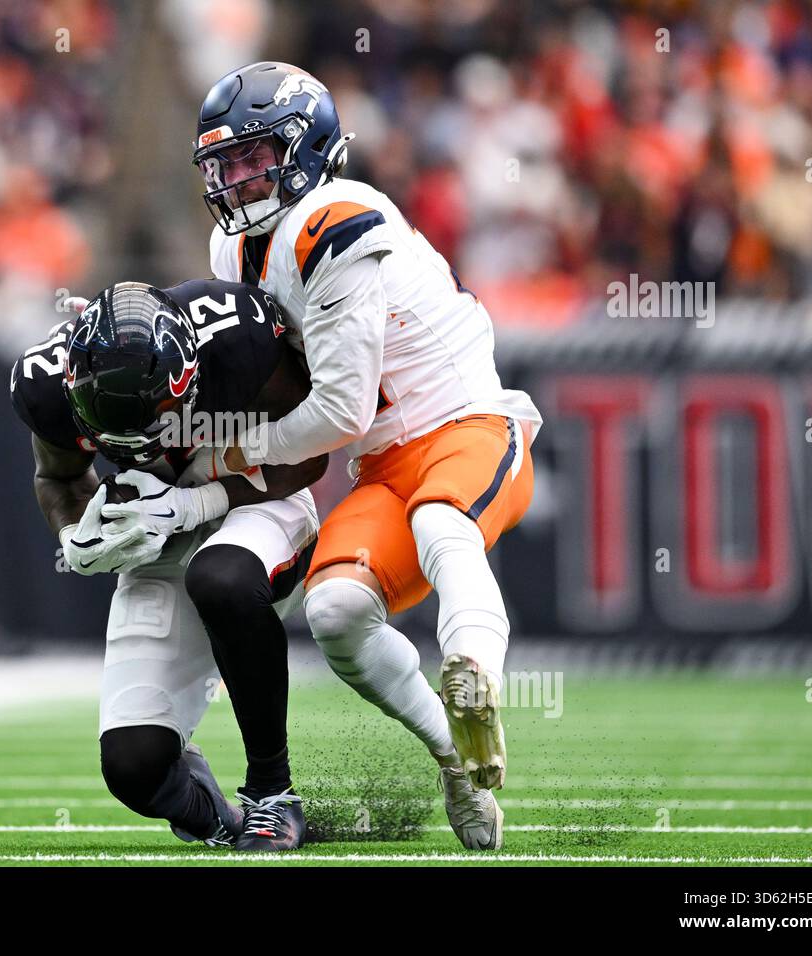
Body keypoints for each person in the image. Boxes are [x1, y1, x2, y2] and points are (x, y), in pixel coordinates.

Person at [187, 61, 546, 850]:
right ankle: (456, 756)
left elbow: (339, 409)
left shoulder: (336, 220)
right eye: (227, 163)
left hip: (466, 424)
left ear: (306, 150)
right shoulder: (235, 248)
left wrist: (234, 452)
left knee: (442, 524)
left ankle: (474, 671)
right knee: (336, 610)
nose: (238, 180)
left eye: (255, 159)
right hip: (385, 464)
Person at [11, 278, 325, 850]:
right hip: (158, 534)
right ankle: (217, 819)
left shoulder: (238, 340)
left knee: (222, 578)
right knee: (134, 766)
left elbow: (308, 455)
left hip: (257, 499)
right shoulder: (47, 384)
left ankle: (272, 795)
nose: (139, 446)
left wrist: (192, 503)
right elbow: (57, 478)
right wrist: (77, 537)